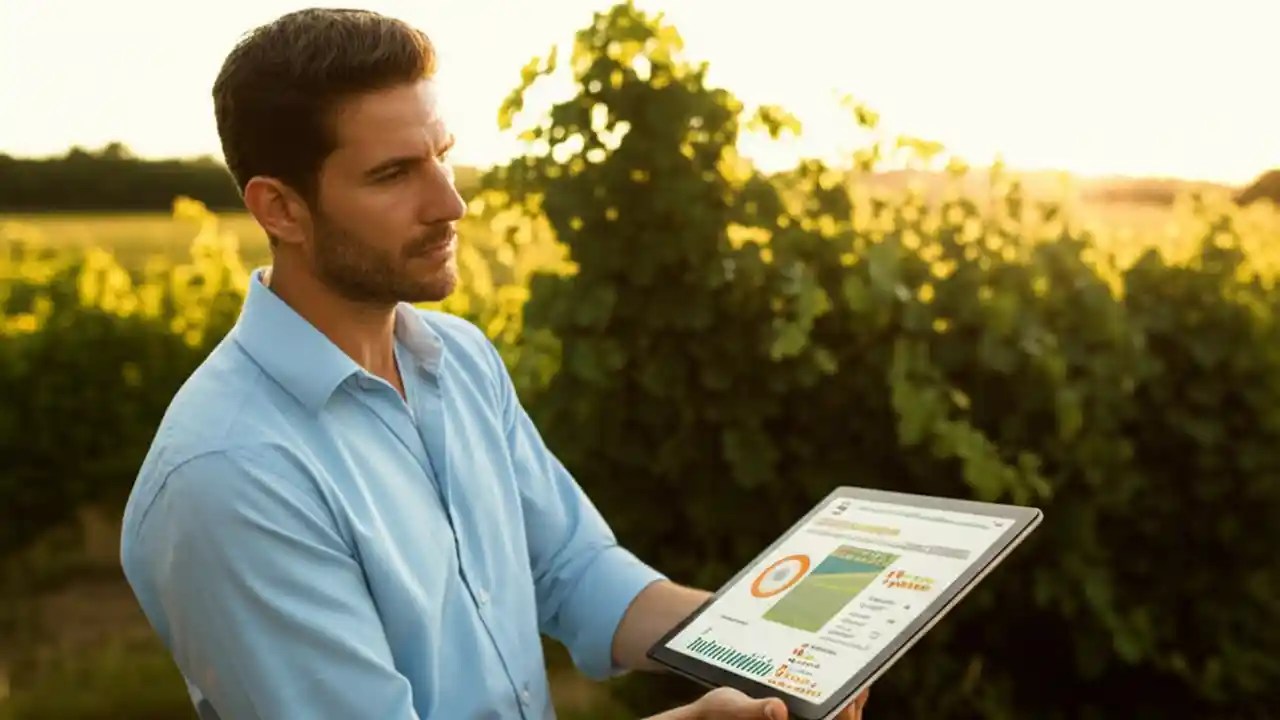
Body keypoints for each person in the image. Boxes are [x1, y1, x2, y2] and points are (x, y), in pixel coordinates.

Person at [118, 8, 869, 720]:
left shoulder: (459, 362)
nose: (450, 203)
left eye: (442, 157)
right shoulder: (229, 474)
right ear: (280, 209)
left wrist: (785, 656)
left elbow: (576, 574)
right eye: (393, 174)